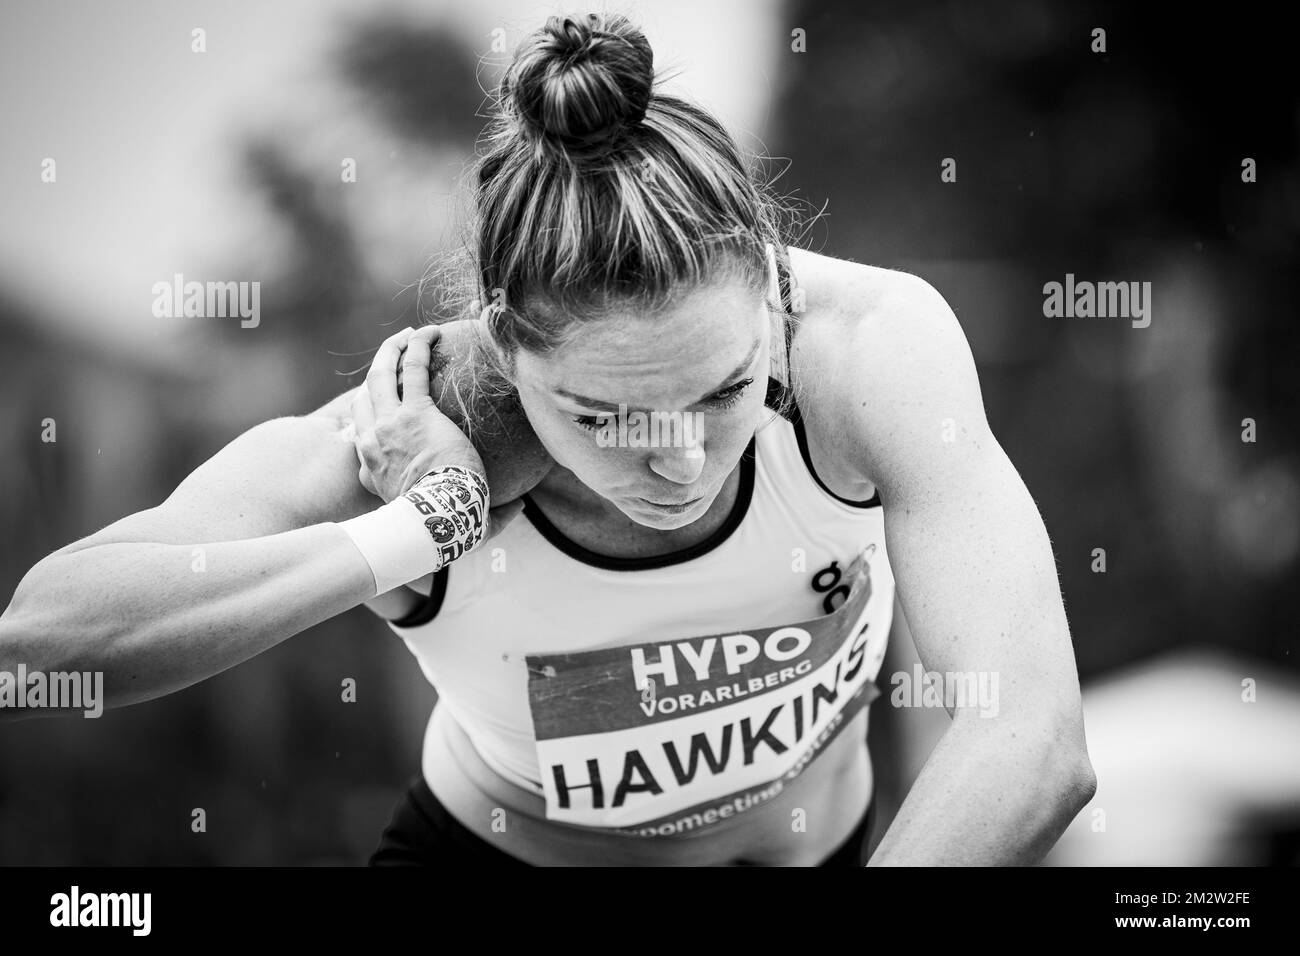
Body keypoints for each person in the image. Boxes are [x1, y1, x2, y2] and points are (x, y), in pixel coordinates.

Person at [0, 12, 1095, 866]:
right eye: (605, 418)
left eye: (722, 393)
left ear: (769, 295)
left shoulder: (868, 352)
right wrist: (419, 528)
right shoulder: (423, 422)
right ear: (507, 352)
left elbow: (1031, 738)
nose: (678, 459)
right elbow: (44, 641)